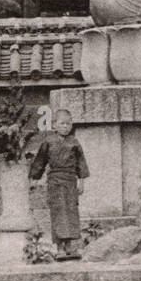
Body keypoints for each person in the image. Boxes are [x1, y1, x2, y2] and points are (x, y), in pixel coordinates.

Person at [28, 109, 90, 260]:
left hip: (70, 181)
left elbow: (81, 163)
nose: (65, 126)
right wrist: (34, 179)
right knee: (58, 212)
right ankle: (60, 247)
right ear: (54, 125)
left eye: (69, 123)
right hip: (55, 181)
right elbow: (40, 161)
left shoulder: (74, 142)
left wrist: (81, 182)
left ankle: (70, 246)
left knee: (70, 212)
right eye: (62, 123)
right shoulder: (48, 142)